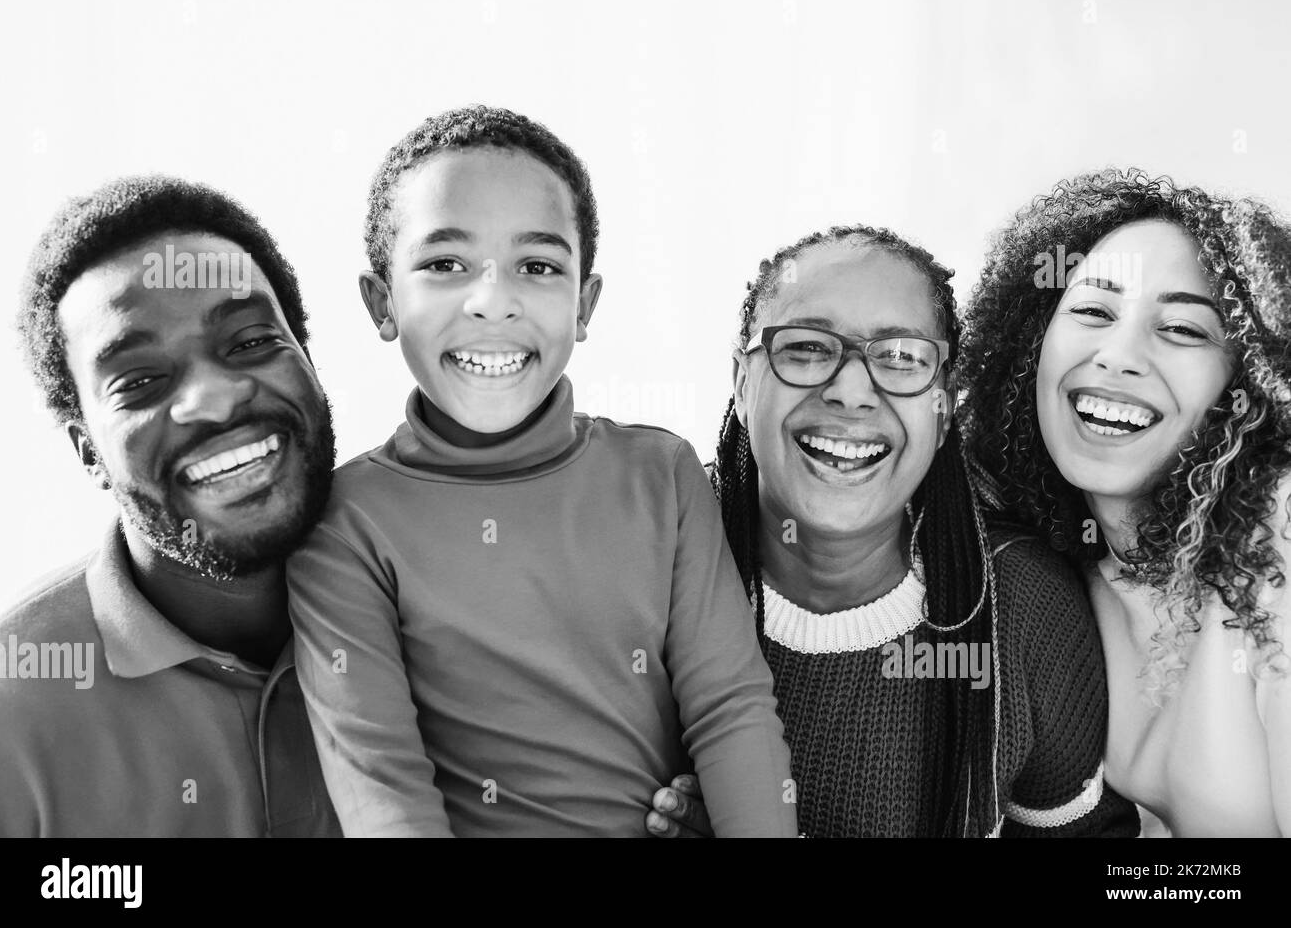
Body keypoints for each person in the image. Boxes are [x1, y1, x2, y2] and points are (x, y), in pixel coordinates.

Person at [286, 105, 796, 837]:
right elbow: (385, 794)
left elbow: (731, 709)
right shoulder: (345, 522)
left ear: (584, 304)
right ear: (381, 302)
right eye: (443, 264)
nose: (493, 300)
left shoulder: (664, 475)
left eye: (538, 266)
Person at [647, 224, 1139, 837]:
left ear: (945, 406)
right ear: (743, 383)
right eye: (805, 348)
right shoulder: (644, 556)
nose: (851, 391)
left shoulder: (1022, 607)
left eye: (902, 358)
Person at [0, 175, 339, 836]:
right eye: (141, 381)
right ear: (87, 449)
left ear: (308, 358)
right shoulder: (8, 717)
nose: (213, 398)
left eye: (248, 341)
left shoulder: (446, 600)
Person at [958, 169, 1291, 837]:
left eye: (1182, 329)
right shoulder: (1058, 575)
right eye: (1092, 311)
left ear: (1248, 380)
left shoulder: (1278, 534)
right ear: (1032, 345)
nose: (1119, 355)